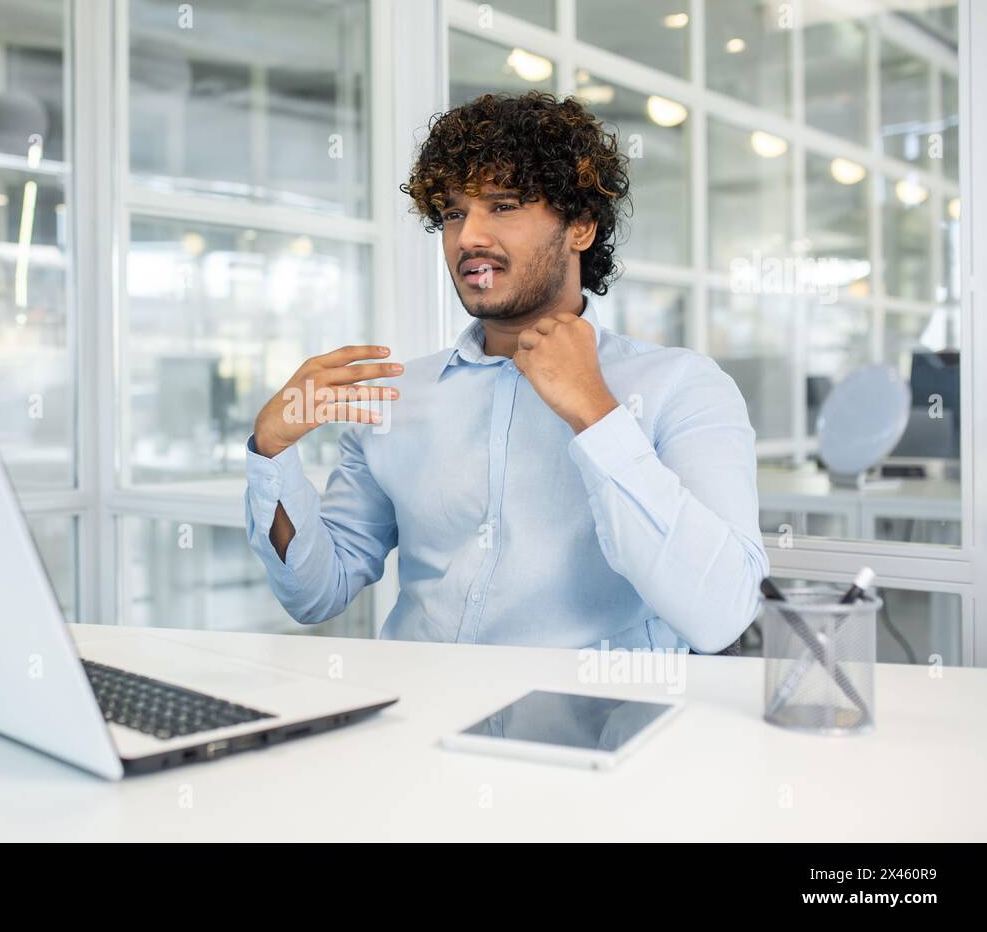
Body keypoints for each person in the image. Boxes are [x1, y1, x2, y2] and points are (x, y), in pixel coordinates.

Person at [243, 90, 768, 653]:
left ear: (581, 228)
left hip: (596, 723)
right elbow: (318, 594)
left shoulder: (682, 387)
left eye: (505, 204)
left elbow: (722, 614)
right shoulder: (394, 399)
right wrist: (271, 452)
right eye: (452, 213)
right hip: (419, 720)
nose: (468, 236)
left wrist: (595, 411)